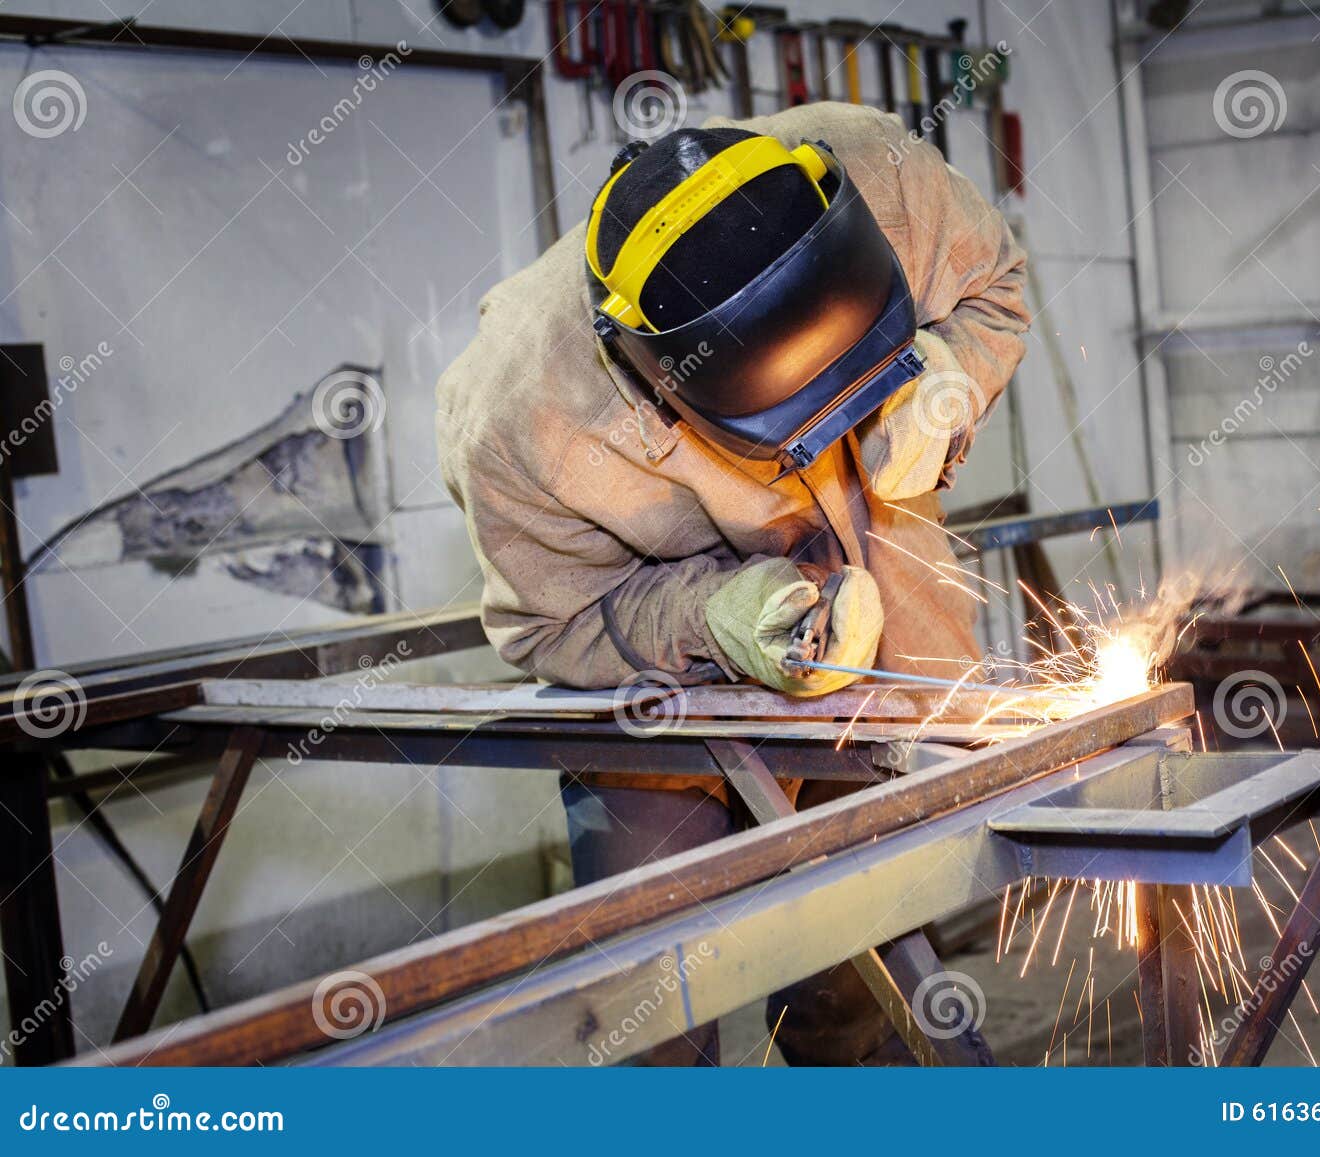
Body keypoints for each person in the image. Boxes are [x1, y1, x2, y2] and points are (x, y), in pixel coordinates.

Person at [437, 100, 1028, 1065]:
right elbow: (556, 627)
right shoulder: (514, 418)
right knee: (654, 1004)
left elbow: (991, 283)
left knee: (853, 984)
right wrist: (713, 616)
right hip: (662, 704)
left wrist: (943, 381)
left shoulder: (880, 168)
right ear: (653, 376)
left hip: (861, 656)